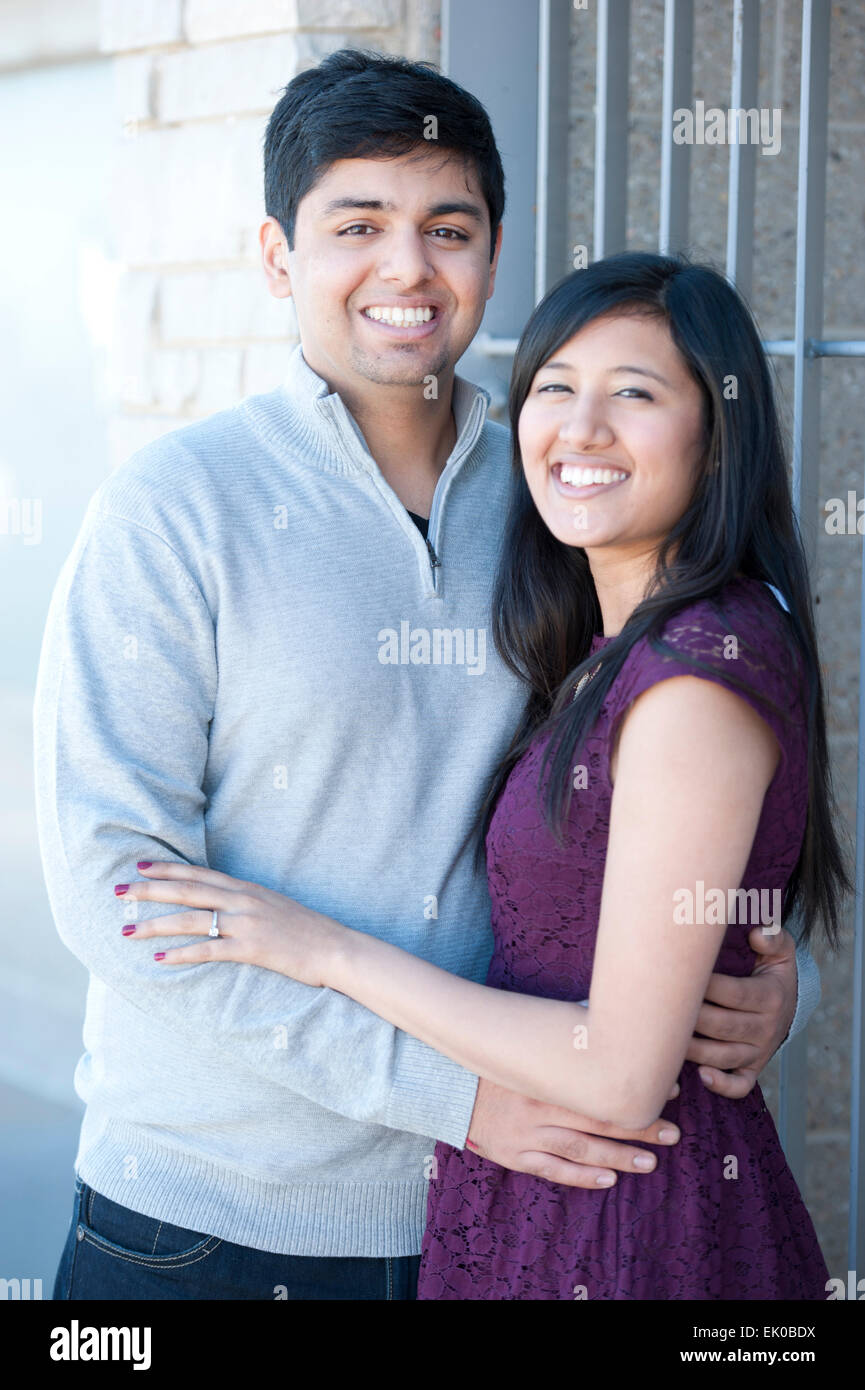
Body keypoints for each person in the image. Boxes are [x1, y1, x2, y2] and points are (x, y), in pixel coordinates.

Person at [38, 52, 819, 1303]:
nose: (407, 267)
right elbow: (113, 890)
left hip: (497, 1212)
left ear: (491, 258)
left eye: (445, 227)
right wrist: (448, 1096)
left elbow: (651, 804)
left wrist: (759, 983)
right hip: (209, 1218)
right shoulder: (175, 510)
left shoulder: (560, 492)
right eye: (358, 225)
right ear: (278, 256)